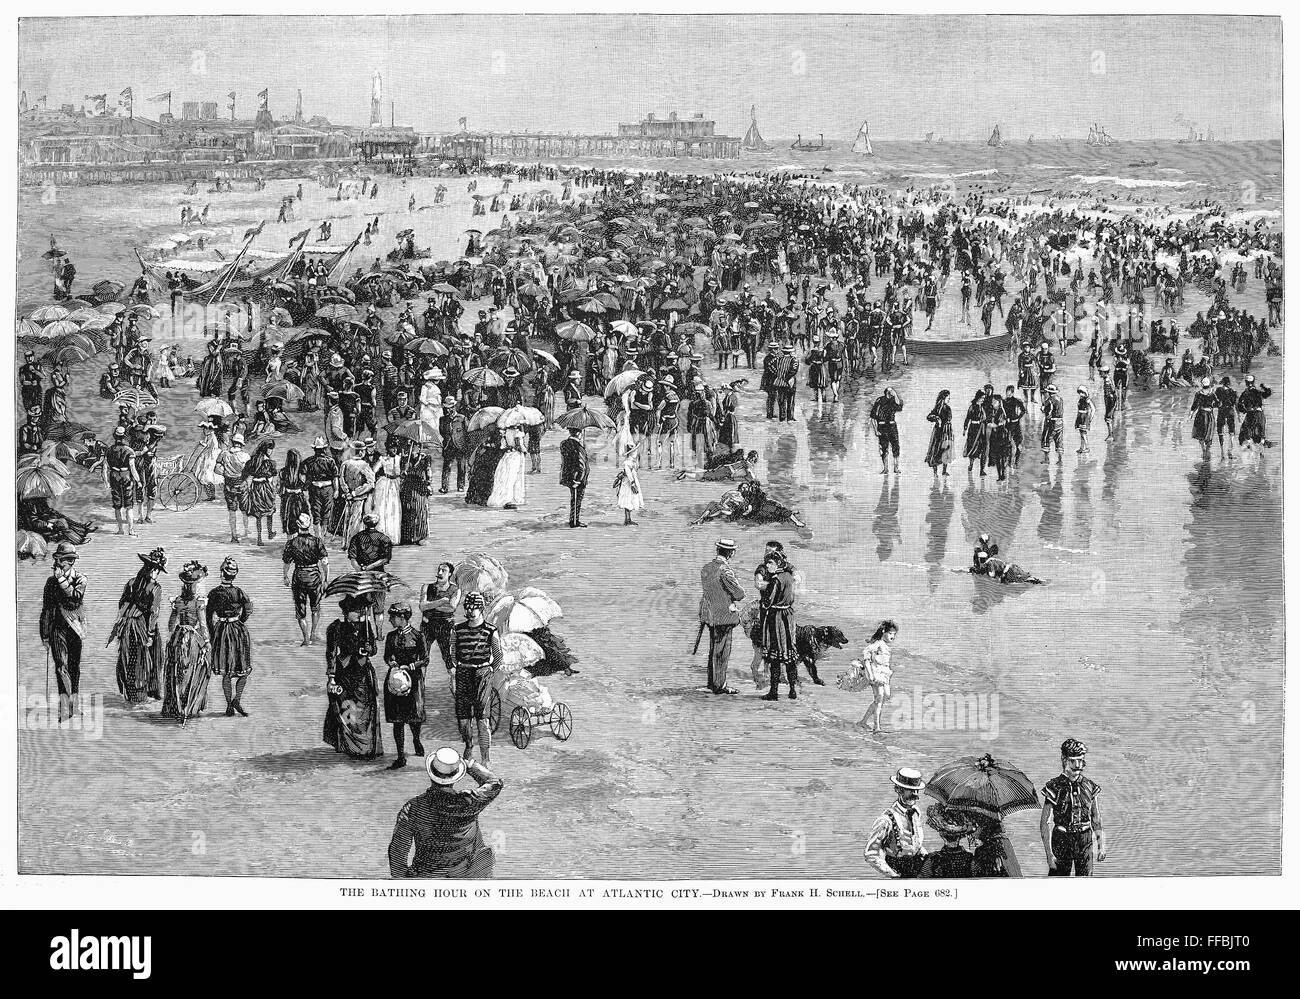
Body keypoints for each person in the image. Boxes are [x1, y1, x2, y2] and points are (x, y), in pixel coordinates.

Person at [387, 747, 503, 878]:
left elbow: (397, 853)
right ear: (456, 778)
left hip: (427, 877)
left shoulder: (413, 808)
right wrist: (469, 764)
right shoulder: (469, 802)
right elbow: (494, 782)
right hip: (466, 876)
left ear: (431, 774)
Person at [447, 591, 504, 766]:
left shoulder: (490, 631)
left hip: (482, 675)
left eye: (475, 607)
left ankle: (485, 758)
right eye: (468, 607)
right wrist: (455, 672)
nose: (471, 610)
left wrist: (489, 672)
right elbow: (452, 653)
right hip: (463, 674)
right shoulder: (457, 629)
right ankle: (469, 745)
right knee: (463, 718)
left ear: (482, 609)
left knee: (482, 718)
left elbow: (498, 655)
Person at [323, 594, 383, 760]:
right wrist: (331, 677)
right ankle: (350, 747)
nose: (361, 613)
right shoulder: (336, 628)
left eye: (362, 610)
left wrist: (369, 648)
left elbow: (374, 649)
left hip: (363, 675)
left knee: (366, 710)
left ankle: (366, 748)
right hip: (345, 675)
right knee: (347, 710)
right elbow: (331, 654)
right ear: (346, 612)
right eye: (356, 610)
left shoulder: (366, 626)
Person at [1040, 737, 1105, 876]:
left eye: (1081, 760)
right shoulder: (1054, 787)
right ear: (1064, 760)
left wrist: (1101, 846)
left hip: (1085, 840)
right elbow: (1045, 822)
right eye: (1073, 760)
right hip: (1062, 840)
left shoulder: (1090, 786)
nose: (1077, 765)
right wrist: (1049, 855)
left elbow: (1096, 819)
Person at [111, 548, 166, 706]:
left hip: (127, 623)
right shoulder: (155, 588)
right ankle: (141, 692)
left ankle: (132, 691)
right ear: (154, 570)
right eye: (157, 570)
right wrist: (150, 633)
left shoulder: (131, 582)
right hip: (142, 624)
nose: (157, 573)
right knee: (144, 657)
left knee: (128, 655)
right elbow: (154, 613)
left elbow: (121, 603)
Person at [39, 542, 86, 723]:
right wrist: (44, 634)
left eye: (62, 562)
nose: (58, 565)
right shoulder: (50, 582)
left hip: (75, 629)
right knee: (61, 668)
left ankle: (75, 707)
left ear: (71, 562)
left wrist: (61, 580)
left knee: (74, 669)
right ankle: (64, 709)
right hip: (56, 630)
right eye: (57, 561)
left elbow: (74, 600)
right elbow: (46, 609)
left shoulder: (81, 579)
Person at [161, 560, 212, 725]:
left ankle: (176, 707)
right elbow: (203, 625)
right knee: (196, 670)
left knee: (176, 671)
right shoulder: (198, 603)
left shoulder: (178, 601)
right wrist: (206, 641)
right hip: (192, 638)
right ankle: (190, 707)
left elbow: (170, 625)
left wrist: (177, 616)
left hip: (179, 637)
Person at [383, 601, 429, 770]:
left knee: (413, 716)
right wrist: (391, 661)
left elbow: (425, 659)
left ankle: (416, 740)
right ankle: (400, 755)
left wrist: (410, 666)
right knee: (397, 719)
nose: (390, 620)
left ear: (402, 618)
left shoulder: (418, 636)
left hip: (413, 679)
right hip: (395, 680)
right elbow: (387, 655)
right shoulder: (391, 636)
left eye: (392, 617)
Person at [206, 556, 254, 717]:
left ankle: (229, 704)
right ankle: (237, 700)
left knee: (226, 671)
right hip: (237, 631)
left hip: (221, 631)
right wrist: (240, 621)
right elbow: (248, 608)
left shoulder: (214, 593)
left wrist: (213, 634)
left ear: (221, 574)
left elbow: (208, 616)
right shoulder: (239, 592)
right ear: (234, 576)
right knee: (243, 670)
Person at [698, 537, 745, 695]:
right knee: (722, 652)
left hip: (710, 614)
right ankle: (719, 685)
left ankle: (713, 683)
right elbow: (739, 594)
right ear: (730, 553)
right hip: (724, 614)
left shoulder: (707, 567)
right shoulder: (724, 570)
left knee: (714, 649)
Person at [863, 768, 929, 878]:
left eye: (917, 790)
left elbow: (915, 844)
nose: (916, 794)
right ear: (898, 789)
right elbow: (871, 854)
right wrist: (893, 876)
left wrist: (926, 857)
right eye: (911, 790)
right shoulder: (885, 820)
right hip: (898, 873)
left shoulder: (916, 813)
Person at [756, 551, 798, 701]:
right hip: (789, 615)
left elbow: (769, 601)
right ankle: (792, 690)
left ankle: (773, 692)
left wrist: (764, 604)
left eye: (770, 563)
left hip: (777, 618)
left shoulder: (776, 579)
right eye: (767, 563)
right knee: (790, 653)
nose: (768, 566)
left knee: (775, 655)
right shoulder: (789, 577)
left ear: (778, 563)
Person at [283, 512, 330, 646]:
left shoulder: (292, 543)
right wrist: (326, 579)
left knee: (300, 609)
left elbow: (287, 563)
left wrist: (285, 576)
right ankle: (313, 632)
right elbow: (325, 562)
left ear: (298, 525)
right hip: (314, 575)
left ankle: (305, 639)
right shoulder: (317, 541)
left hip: (299, 575)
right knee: (315, 607)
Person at [347, 512, 394, 632]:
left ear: (364, 523)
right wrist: (371, 567)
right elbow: (385, 559)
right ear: (376, 523)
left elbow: (353, 559)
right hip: (379, 576)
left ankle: (366, 633)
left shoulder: (356, 538)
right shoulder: (384, 538)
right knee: (379, 608)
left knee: (363, 606)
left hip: (362, 576)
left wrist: (361, 570)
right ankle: (378, 633)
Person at [857, 619, 899, 735]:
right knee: (879, 698)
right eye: (891, 633)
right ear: (884, 631)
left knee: (886, 695)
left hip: (884, 674)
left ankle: (863, 721)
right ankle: (877, 727)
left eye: (894, 634)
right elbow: (866, 654)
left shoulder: (885, 646)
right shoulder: (877, 644)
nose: (893, 636)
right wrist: (870, 673)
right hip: (876, 674)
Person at [420, 562, 461, 669]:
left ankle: (453, 685)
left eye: (443, 571)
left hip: (446, 626)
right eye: (439, 570)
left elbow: (452, 607)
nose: (439, 573)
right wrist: (442, 601)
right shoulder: (426, 587)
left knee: (449, 659)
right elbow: (422, 606)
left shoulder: (455, 590)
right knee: (422, 659)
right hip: (427, 625)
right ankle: (421, 685)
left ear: (450, 574)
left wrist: (430, 605)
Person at [919, 804, 976, 878]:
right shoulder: (970, 859)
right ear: (960, 836)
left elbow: (921, 881)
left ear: (941, 835)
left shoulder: (933, 859)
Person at [240, 438, 279, 545]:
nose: (271, 451)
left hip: (255, 487)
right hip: (265, 487)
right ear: (266, 449)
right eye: (270, 449)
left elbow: (244, 475)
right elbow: (271, 476)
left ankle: (260, 538)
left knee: (259, 513)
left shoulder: (253, 461)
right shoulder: (269, 463)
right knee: (269, 510)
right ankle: (269, 533)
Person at [106, 426, 141, 536]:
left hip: (114, 475)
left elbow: (105, 468)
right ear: (125, 437)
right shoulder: (129, 451)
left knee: (117, 505)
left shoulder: (109, 450)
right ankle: (131, 530)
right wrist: (138, 481)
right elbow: (132, 467)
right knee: (129, 504)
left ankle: (120, 529)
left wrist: (106, 482)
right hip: (126, 475)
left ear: (115, 437)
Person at [487, 425, 527, 509]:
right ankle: (510, 499)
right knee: (514, 477)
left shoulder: (505, 433)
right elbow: (519, 446)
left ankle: (504, 498)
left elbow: (503, 446)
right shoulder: (517, 433)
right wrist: (524, 450)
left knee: (505, 477)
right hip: (515, 456)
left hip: (507, 456)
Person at [559, 425, 590, 528]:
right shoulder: (578, 447)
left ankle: (573, 519)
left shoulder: (564, 443)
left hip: (568, 475)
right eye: (580, 433)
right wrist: (579, 480)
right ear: (578, 433)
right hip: (577, 477)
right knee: (577, 500)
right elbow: (582, 465)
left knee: (574, 498)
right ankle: (574, 521)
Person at [870, 387, 903, 474]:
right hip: (882, 426)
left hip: (892, 426)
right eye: (890, 391)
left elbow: (899, 407)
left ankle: (896, 468)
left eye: (892, 391)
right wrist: (875, 430)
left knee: (896, 446)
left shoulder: (893, 400)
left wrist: (895, 394)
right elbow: (873, 417)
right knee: (883, 448)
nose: (891, 393)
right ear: (886, 392)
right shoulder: (879, 401)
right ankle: (885, 468)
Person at [439, 399, 469, 494]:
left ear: (455, 406)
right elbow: (442, 432)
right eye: (447, 408)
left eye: (451, 407)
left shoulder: (462, 418)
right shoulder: (443, 419)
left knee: (461, 467)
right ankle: (444, 487)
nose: (449, 410)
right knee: (446, 467)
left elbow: (467, 432)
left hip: (460, 446)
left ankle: (460, 486)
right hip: (449, 446)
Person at [924, 390, 954, 476]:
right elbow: (929, 416)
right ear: (943, 398)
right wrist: (936, 418)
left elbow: (949, 419)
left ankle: (944, 471)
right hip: (939, 432)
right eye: (948, 398)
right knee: (936, 450)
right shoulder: (938, 408)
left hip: (947, 431)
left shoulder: (947, 408)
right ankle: (935, 472)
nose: (949, 399)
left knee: (946, 449)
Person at [613, 442, 644, 526]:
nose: (636, 452)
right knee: (627, 499)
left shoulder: (632, 461)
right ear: (630, 453)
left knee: (631, 499)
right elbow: (629, 473)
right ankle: (627, 519)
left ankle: (628, 519)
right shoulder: (627, 462)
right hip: (628, 483)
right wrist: (633, 483)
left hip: (632, 481)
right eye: (634, 451)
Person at [1040, 385, 1065, 462]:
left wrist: (1043, 410)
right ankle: (1060, 459)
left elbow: (1045, 410)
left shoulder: (1049, 400)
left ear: (1049, 392)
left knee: (1047, 438)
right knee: (1059, 440)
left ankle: (1046, 459)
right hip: (1060, 422)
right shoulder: (1060, 399)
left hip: (1051, 422)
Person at [1075, 385, 1095, 455]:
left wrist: (1090, 418)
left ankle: (1087, 447)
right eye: (1079, 392)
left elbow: (1093, 409)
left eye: (1082, 392)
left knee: (1083, 434)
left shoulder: (1087, 399)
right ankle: (1081, 447)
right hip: (1080, 417)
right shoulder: (1081, 399)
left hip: (1084, 418)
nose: (1080, 394)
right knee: (1081, 433)